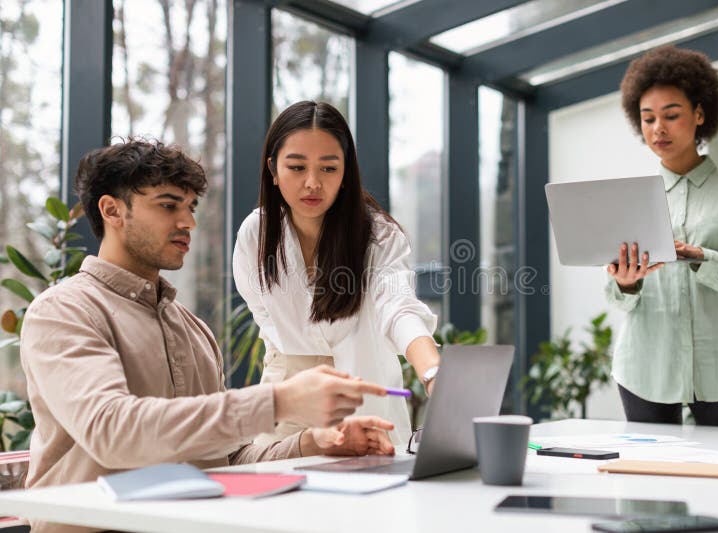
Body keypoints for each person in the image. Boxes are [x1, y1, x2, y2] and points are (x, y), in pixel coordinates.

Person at [20, 139, 396, 532]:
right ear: (112, 210)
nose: (188, 223)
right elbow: (112, 430)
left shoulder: (193, 330)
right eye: (168, 205)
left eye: (190, 207)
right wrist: (278, 400)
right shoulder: (63, 311)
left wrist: (315, 443)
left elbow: (225, 461)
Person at [233, 101, 440, 446]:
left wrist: (434, 373)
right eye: (296, 167)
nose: (312, 183)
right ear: (272, 169)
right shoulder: (255, 234)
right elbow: (263, 314)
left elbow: (399, 306)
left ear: (346, 172)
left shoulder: (379, 236)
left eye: (328, 169)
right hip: (287, 400)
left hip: (362, 398)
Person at [606, 45, 718, 427]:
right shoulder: (630, 195)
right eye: (648, 118)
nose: (659, 129)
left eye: (671, 115)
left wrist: (704, 259)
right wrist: (626, 284)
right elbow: (616, 299)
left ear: (700, 114)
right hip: (644, 369)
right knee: (649, 484)